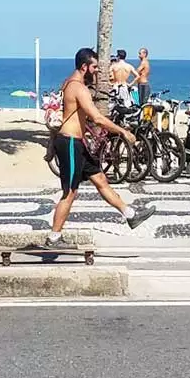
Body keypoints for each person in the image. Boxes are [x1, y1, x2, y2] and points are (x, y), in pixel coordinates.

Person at [46, 47, 156, 246]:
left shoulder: (68, 84)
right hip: (70, 143)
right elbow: (97, 117)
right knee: (69, 192)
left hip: (77, 142)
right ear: (84, 67)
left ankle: (130, 214)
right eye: (94, 67)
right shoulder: (78, 88)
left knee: (101, 179)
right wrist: (122, 131)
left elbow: (76, 116)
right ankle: (54, 237)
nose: (97, 71)